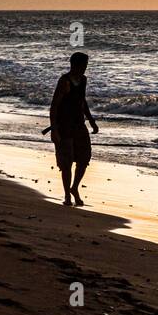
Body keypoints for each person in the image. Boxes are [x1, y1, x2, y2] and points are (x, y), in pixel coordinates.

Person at [49, 52, 99, 206]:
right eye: (83, 65)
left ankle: (74, 188)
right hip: (64, 126)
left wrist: (91, 121)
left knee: (84, 159)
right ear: (75, 65)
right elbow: (54, 106)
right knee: (66, 162)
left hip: (79, 125)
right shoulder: (64, 81)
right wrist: (54, 130)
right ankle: (67, 196)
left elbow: (82, 102)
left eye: (86, 65)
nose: (85, 68)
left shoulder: (83, 80)